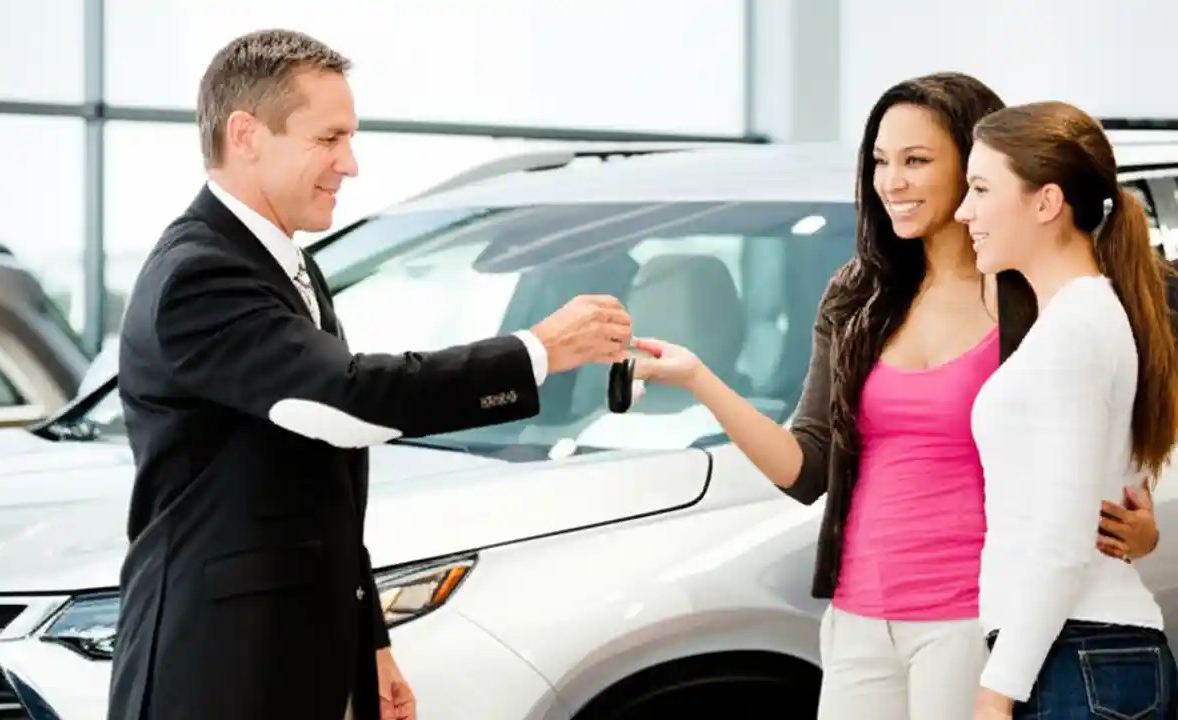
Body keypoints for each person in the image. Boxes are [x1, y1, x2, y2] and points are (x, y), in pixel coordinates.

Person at [107, 29, 633, 720]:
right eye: (329, 139)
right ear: (247, 135)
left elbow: (313, 478)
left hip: (290, 655)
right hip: (218, 666)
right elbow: (344, 401)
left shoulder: (279, 260)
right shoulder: (201, 273)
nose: (349, 164)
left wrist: (368, 640)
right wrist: (535, 351)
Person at [627, 72, 1161, 720]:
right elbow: (806, 468)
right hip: (857, 619)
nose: (892, 182)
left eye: (916, 161)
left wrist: (1137, 507)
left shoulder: (1031, 287)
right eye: (880, 161)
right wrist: (699, 379)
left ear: (976, 165)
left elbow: (1111, 393)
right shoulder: (858, 295)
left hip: (971, 619)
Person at [958, 101, 1178, 720]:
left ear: (1046, 202)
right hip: (1081, 653)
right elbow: (1103, 491)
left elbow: (1061, 535)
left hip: (1075, 654)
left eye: (979, 188)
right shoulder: (1081, 317)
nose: (963, 211)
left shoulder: (1076, 327)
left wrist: (997, 689)